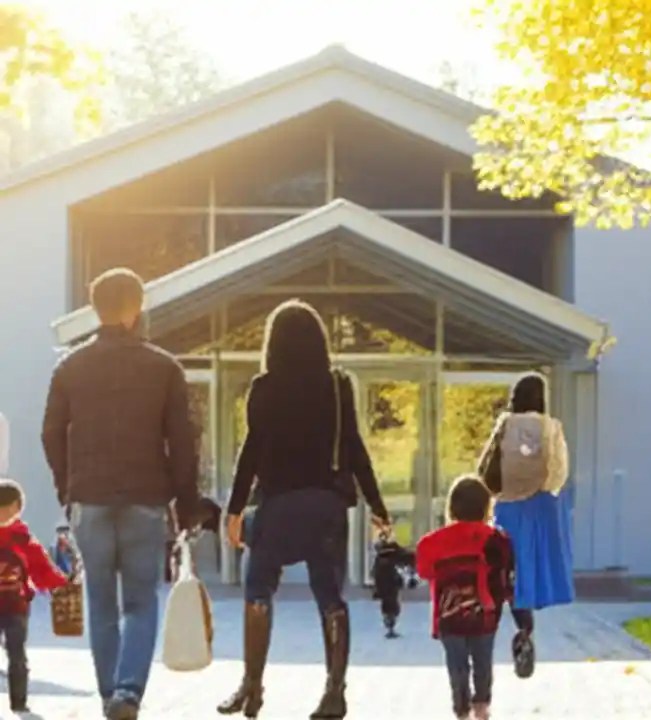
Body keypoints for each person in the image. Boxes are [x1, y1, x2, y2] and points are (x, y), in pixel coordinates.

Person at [41, 268, 203, 720]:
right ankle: (128, 692)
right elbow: (183, 442)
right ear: (136, 308)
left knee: (101, 601)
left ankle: (108, 690)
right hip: (146, 499)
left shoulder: (69, 367)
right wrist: (184, 502)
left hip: (87, 499)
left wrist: (66, 489)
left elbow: (50, 433)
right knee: (140, 599)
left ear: (96, 308)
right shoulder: (163, 367)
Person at [218, 300, 391, 720]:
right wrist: (377, 505)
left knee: (258, 588)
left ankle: (252, 687)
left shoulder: (264, 387)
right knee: (331, 596)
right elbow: (354, 446)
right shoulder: (337, 385)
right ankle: (334, 693)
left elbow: (252, 450)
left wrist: (235, 508)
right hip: (326, 505)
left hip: (276, 505)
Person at [476, 372, 572, 678]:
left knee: (503, 567)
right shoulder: (551, 427)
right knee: (527, 574)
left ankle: (488, 629)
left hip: (508, 506)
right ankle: (525, 632)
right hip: (540, 507)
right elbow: (559, 471)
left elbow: (485, 469)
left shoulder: (506, 424)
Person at [416, 475, 524, 720]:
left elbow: (424, 570)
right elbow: (506, 578)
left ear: (452, 507)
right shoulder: (497, 540)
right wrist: (523, 618)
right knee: (483, 662)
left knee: (457, 667)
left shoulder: (431, 542)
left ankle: (461, 711)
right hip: (484, 615)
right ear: (486, 507)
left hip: (449, 615)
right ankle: (482, 707)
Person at [0, 479, 68, 713]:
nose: (5, 514)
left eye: (9, 508)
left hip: (16, 606)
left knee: (16, 652)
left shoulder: (23, 538)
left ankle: (19, 700)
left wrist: (59, 584)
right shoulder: (22, 539)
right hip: (14, 603)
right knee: (16, 651)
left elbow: (41, 567)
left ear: (19, 508)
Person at [371, 535, 416, 639]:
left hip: (383, 582)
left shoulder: (381, 556)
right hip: (391, 582)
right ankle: (390, 624)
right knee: (392, 603)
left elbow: (375, 572)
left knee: (387, 603)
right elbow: (409, 559)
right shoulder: (395, 552)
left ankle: (389, 623)